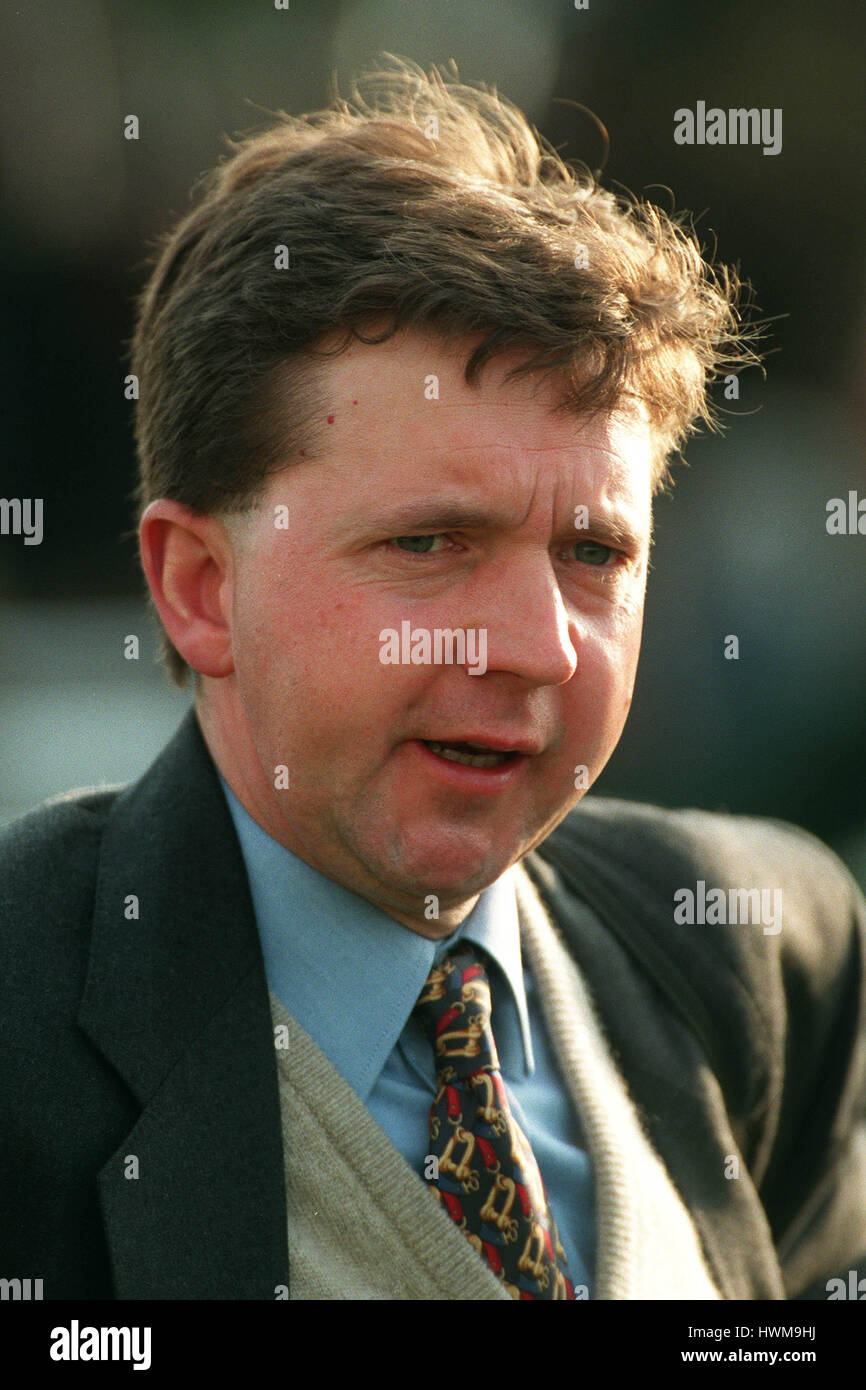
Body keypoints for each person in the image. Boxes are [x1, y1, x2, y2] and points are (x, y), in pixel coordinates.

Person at [2, 58, 865, 1302]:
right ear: (197, 587)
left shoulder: (762, 960)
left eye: (592, 553)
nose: (537, 646)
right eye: (428, 544)